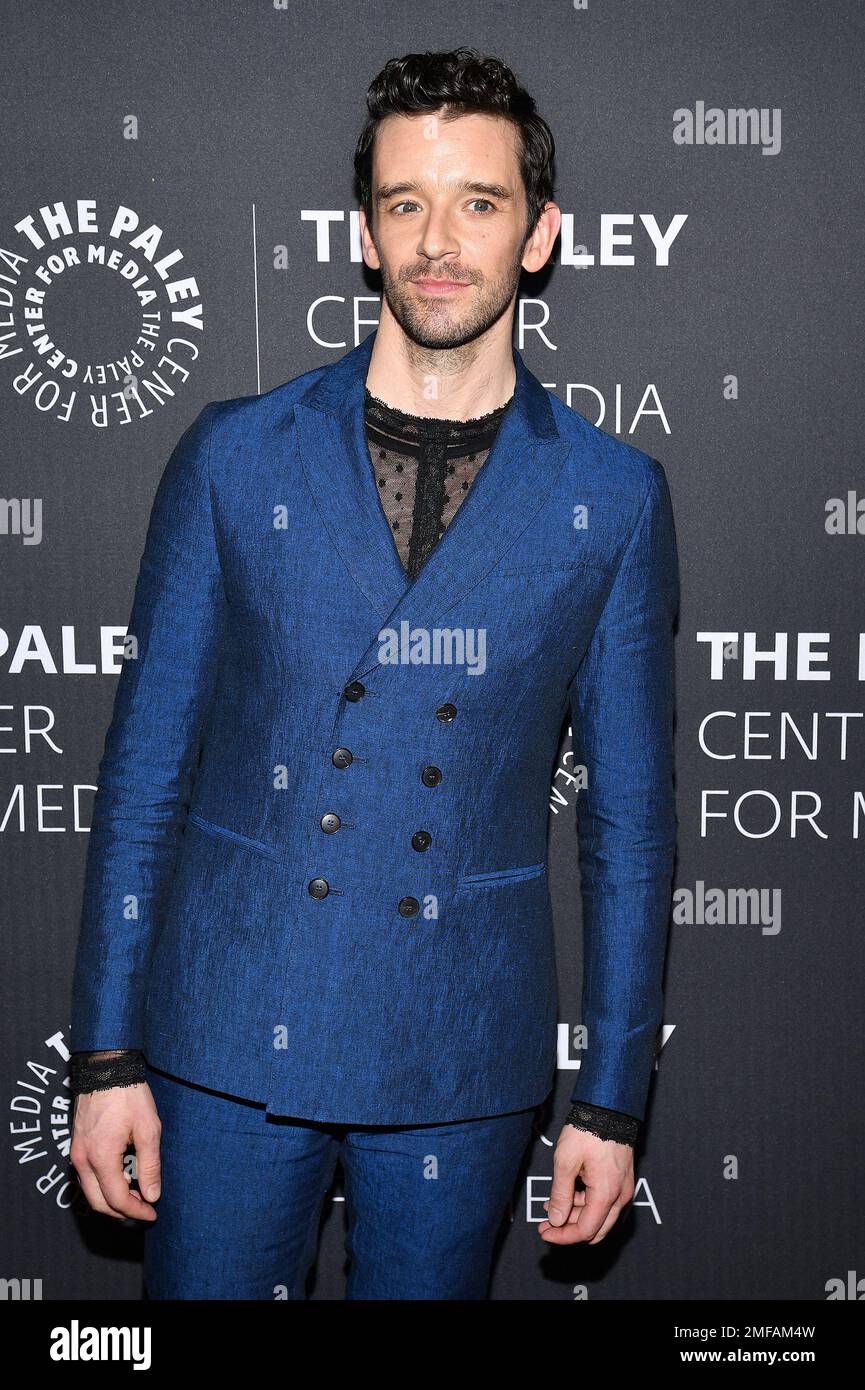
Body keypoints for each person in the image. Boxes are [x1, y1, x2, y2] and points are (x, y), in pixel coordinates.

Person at [70, 47, 679, 1299]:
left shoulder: (610, 499)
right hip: (228, 1027)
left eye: (479, 202)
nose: (439, 241)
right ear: (363, 233)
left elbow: (627, 828)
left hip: (458, 1045)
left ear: (541, 232)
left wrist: (612, 1103)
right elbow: (142, 772)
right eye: (406, 203)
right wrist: (106, 1051)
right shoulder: (237, 456)